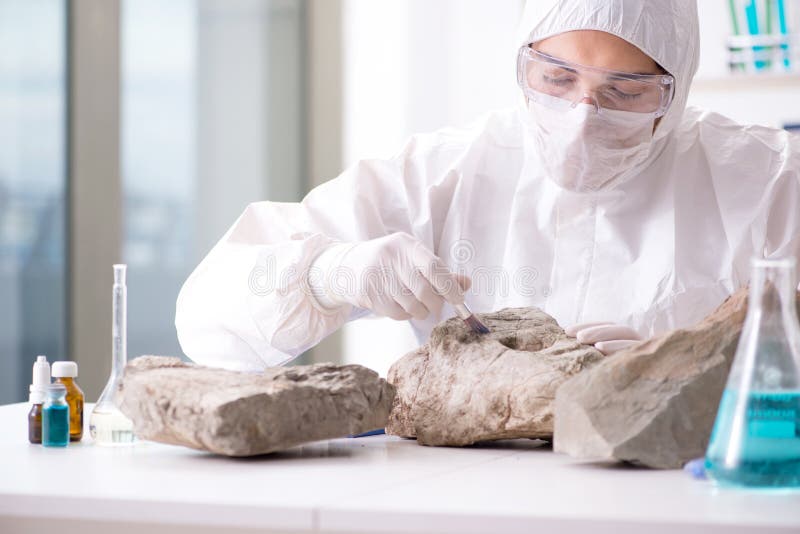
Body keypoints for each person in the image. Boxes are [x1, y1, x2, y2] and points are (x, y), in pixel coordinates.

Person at [175, 0, 800, 371]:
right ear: (522, 61)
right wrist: (330, 274)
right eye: (556, 80)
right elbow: (209, 315)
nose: (583, 119)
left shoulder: (767, 182)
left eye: (625, 93)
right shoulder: (444, 171)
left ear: (676, 89)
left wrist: (698, 367)